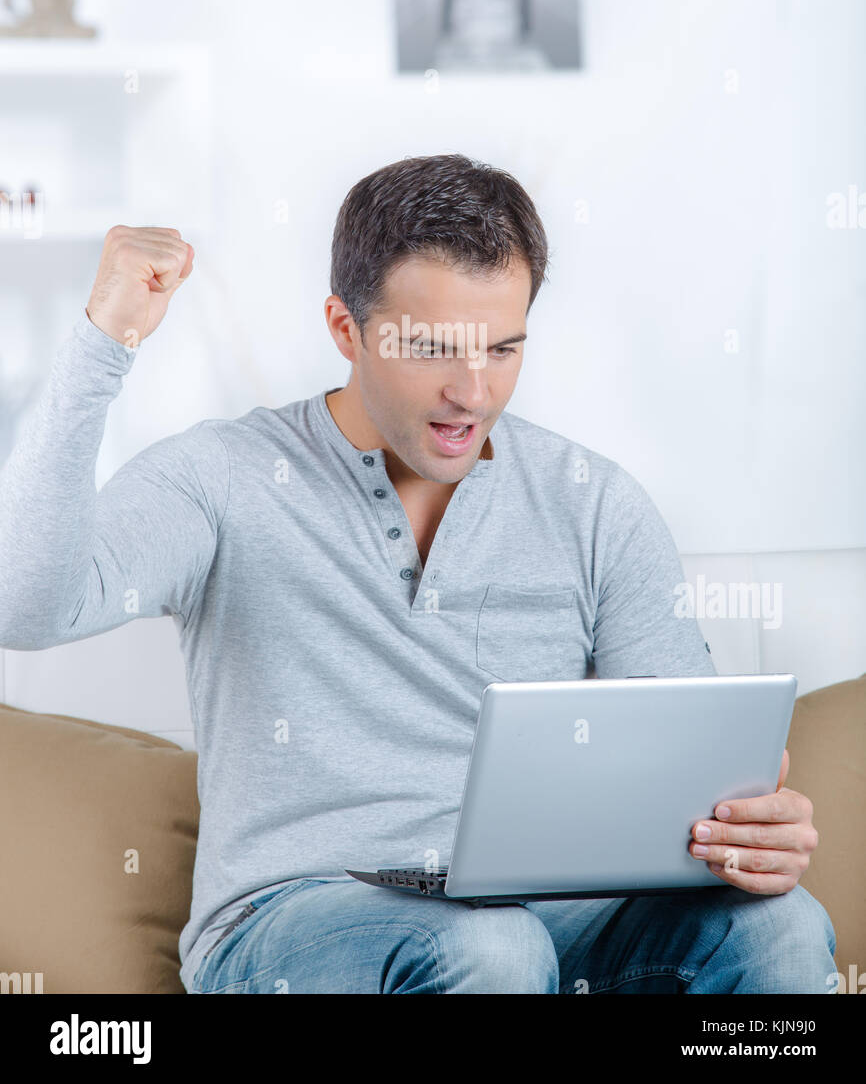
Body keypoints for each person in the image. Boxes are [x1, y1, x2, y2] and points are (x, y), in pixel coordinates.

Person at [0, 153, 834, 994]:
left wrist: (744, 831)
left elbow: (683, 760)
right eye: (433, 348)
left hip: (550, 924)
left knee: (779, 928)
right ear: (344, 329)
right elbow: (24, 604)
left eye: (503, 348)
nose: (472, 392)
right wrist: (104, 341)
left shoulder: (594, 503)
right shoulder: (223, 477)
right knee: (487, 950)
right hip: (295, 925)